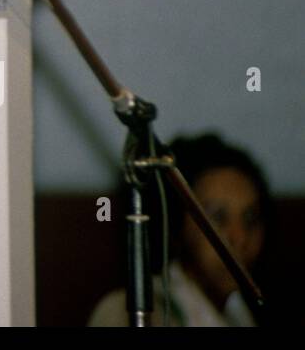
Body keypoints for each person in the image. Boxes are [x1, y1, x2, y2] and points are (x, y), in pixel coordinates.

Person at [88, 133, 269, 327]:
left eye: (250, 219)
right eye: (217, 218)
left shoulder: (244, 311)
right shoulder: (127, 312)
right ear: (176, 224)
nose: (240, 237)